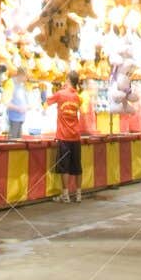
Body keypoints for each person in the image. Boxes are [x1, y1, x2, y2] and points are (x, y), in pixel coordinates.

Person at [46, 69, 84, 202]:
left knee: (64, 167)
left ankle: (65, 195)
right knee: (77, 167)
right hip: (76, 136)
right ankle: (78, 195)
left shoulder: (60, 94)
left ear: (68, 80)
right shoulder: (78, 97)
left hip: (64, 136)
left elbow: (46, 102)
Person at [6, 68, 29, 141]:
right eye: (26, 77)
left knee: (18, 143)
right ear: (21, 75)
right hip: (13, 119)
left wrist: (27, 107)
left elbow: (25, 101)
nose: (26, 79)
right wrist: (18, 108)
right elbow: (6, 102)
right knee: (12, 143)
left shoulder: (21, 86)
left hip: (20, 119)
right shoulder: (10, 83)